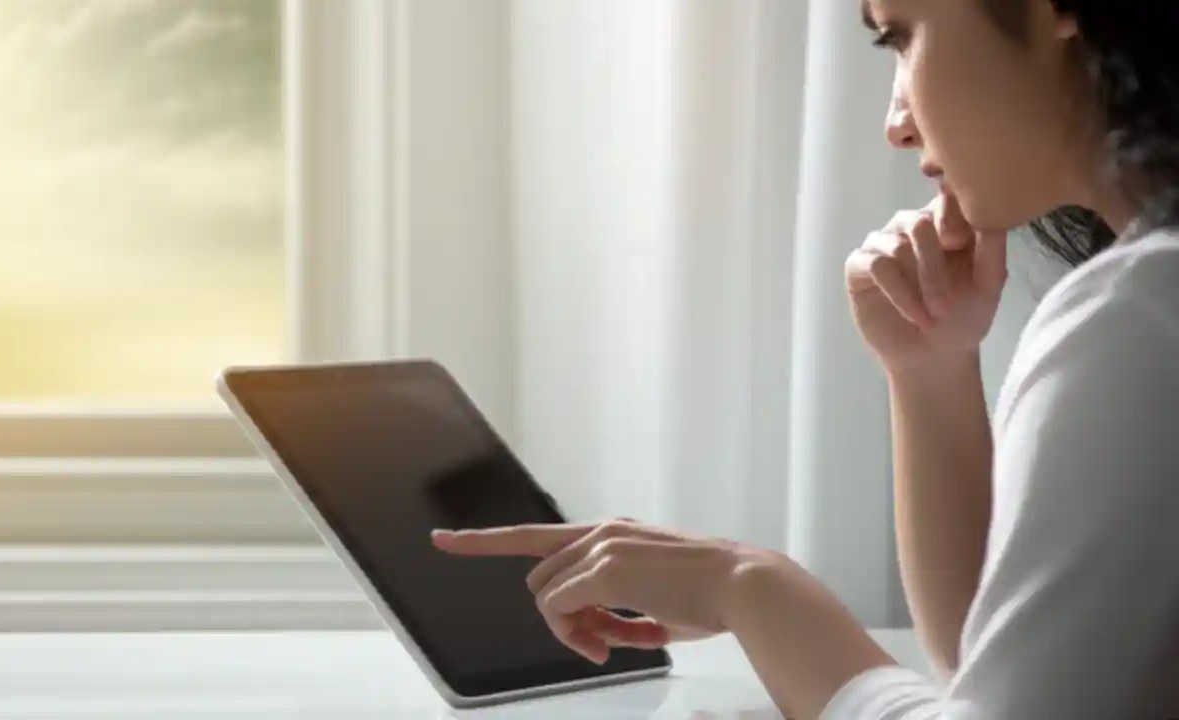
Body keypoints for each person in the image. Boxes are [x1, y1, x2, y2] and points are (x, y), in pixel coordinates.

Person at [432, 1, 1179, 717]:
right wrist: (928, 373)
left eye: (900, 36)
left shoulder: (1140, 317)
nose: (897, 124)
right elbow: (1013, 666)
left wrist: (746, 588)